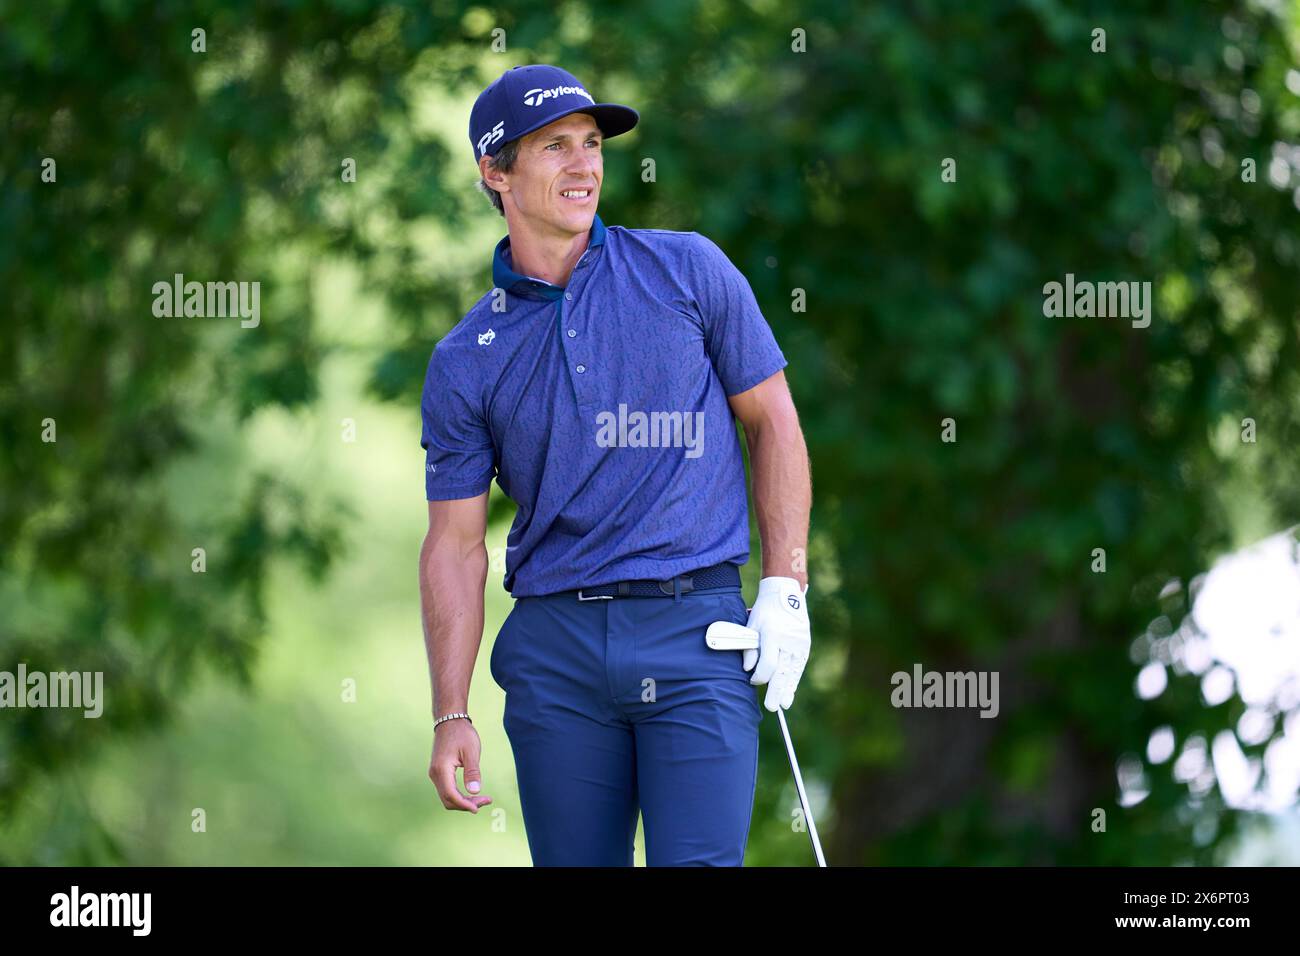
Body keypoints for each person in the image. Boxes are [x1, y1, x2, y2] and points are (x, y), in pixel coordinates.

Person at [419, 63, 813, 866]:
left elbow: (772, 421)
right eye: (554, 146)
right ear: (494, 172)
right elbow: (455, 544)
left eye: (592, 144)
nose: (584, 164)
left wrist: (786, 587)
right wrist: (450, 713)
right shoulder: (465, 357)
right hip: (555, 653)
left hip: (696, 631)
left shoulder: (687, 270)